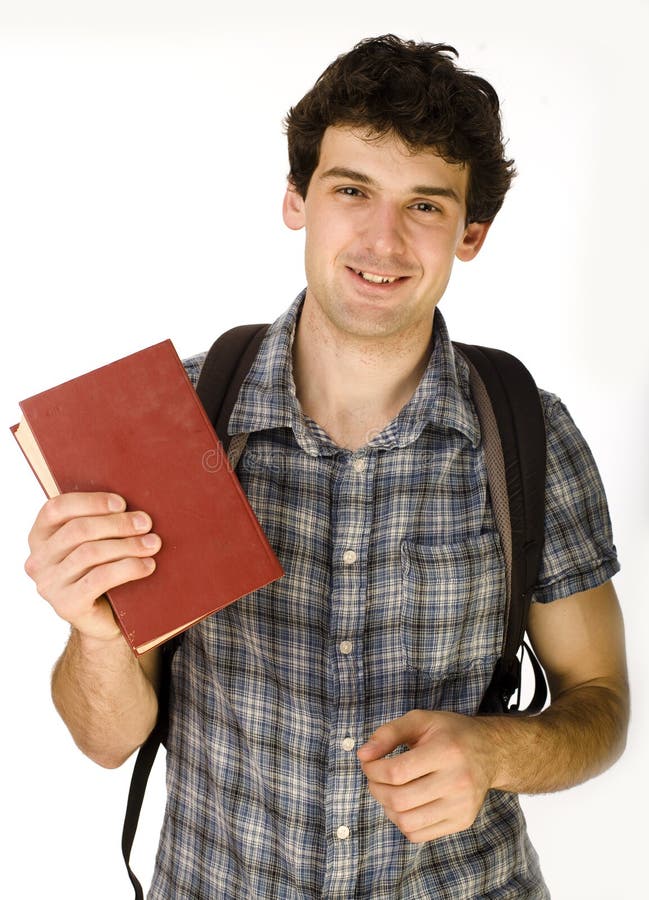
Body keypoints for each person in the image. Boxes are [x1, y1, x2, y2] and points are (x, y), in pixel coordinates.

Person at [24, 35, 628, 899]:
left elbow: (599, 700)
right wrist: (95, 634)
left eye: (425, 205)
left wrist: (493, 751)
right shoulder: (180, 418)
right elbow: (105, 737)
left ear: (472, 234)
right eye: (352, 190)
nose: (382, 240)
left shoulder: (529, 432)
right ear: (296, 201)